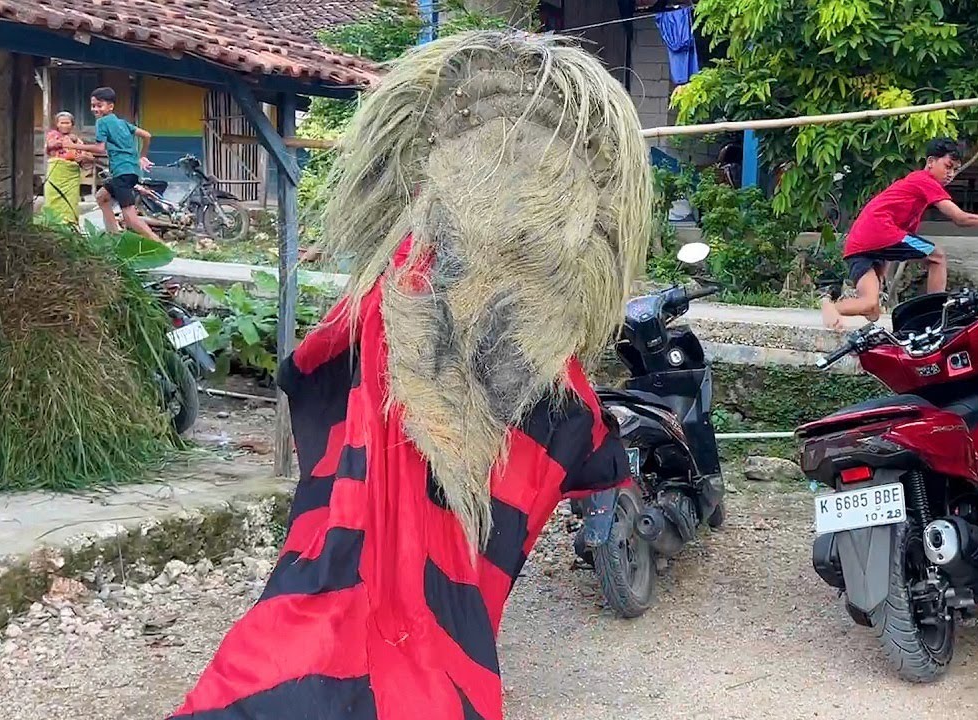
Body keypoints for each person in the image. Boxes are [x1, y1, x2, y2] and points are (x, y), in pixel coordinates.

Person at [167, 31, 651, 720]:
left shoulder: (514, 307)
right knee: (355, 604)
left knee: (409, 599)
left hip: (442, 498)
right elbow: (565, 404)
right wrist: (602, 461)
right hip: (376, 479)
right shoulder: (399, 283)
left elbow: (558, 399)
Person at [821, 138, 978, 330]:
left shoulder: (914, 193)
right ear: (930, 162)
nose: (951, 174)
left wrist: (882, 270)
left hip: (858, 243)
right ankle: (937, 314)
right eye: (947, 166)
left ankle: (831, 306)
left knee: (871, 307)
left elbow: (895, 246)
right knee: (937, 256)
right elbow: (961, 219)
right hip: (878, 232)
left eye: (955, 169)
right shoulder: (924, 181)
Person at [67, 87, 161, 242]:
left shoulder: (102, 122)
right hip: (130, 170)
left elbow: (100, 148)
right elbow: (147, 135)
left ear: (110, 106)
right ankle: (114, 238)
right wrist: (142, 156)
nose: (95, 109)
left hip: (122, 171)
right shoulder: (122, 123)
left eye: (99, 105)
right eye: (93, 105)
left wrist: (74, 146)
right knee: (101, 197)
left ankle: (160, 245)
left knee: (129, 216)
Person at [42, 112, 91, 225]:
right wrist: (66, 140)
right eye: (62, 123)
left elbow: (86, 156)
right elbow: (50, 145)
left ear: (72, 124)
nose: (64, 125)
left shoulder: (78, 140)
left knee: (71, 200)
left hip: (71, 175)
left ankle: (69, 225)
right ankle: (52, 224)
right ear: (57, 124)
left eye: (67, 123)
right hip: (56, 173)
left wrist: (82, 156)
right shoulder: (52, 135)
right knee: (52, 198)